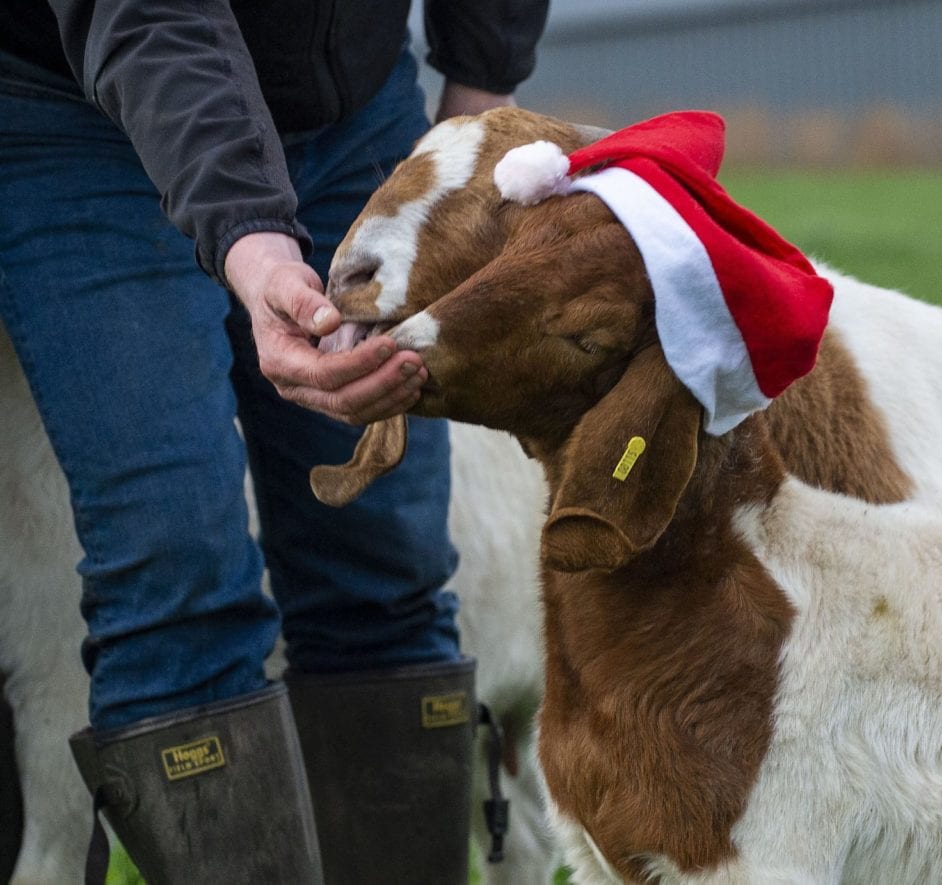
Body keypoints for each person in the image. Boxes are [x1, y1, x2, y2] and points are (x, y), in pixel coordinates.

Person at [0, 1, 549, 882]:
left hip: (349, 101)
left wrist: (471, 116)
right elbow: (151, 18)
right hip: (82, 113)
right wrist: (254, 249)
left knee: (383, 564)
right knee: (177, 566)